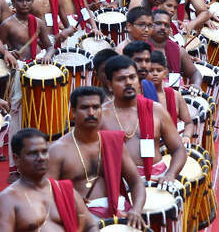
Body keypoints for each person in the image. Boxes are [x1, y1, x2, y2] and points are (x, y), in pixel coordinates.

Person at [46, 86, 146, 224]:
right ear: (73, 112)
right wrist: (69, 202)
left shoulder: (114, 142)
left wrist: (136, 210)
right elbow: (45, 193)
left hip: (119, 213)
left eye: (96, 107)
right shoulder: (57, 150)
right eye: (85, 107)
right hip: (80, 219)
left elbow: (136, 182)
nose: (91, 112)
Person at [0, 128, 100, 231]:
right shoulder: (8, 199)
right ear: (16, 159)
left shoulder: (64, 190)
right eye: (33, 153)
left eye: (44, 152)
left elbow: (90, 225)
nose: (41, 158)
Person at [98, 55, 185, 182]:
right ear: (110, 85)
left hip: (157, 178)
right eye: (121, 79)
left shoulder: (157, 110)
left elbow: (178, 149)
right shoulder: (100, 116)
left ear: (138, 81)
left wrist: (170, 174)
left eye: (132, 77)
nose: (128, 82)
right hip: (118, 182)